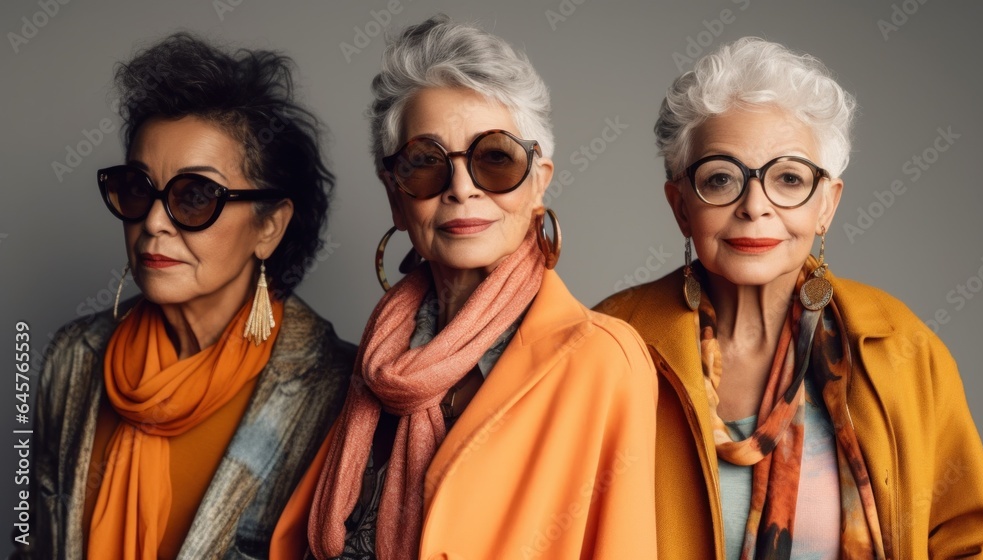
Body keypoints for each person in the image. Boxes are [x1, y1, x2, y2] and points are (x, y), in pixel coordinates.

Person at [596, 37, 983, 559]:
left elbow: (974, 538)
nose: (755, 206)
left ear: (826, 205)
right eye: (721, 178)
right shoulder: (610, 346)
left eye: (788, 178)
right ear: (681, 206)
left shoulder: (899, 345)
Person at [272, 15, 657, 560]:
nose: (461, 188)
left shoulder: (602, 361)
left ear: (538, 183)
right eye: (426, 163)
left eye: (494, 158)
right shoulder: (380, 361)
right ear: (396, 196)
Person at [20, 33, 356, 559]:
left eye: (196, 195)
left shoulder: (340, 392)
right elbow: (33, 544)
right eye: (138, 188)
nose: (154, 222)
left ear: (269, 226)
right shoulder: (71, 359)